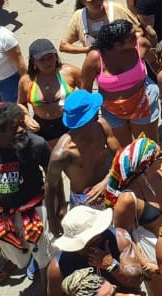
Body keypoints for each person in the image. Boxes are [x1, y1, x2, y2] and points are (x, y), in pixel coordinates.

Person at [0, 103, 54, 284]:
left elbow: (53, 178)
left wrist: (55, 211)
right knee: (18, 258)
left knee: (45, 260)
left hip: (36, 211)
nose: (21, 130)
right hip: (5, 215)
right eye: (14, 127)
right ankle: (22, 261)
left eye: (22, 124)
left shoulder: (37, 144)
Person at [44, 90, 120, 233]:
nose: (98, 111)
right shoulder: (62, 153)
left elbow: (120, 155)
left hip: (109, 186)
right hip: (84, 201)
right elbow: (50, 186)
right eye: (94, 110)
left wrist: (107, 181)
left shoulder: (102, 126)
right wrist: (52, 220)